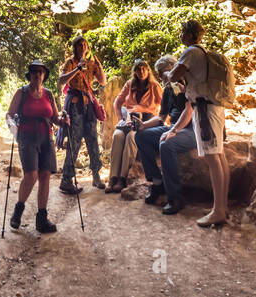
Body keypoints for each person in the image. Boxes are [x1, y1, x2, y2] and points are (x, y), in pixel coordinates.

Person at [162, 21, 230, 226]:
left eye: (182, 32)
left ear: (190, 35)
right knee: (219, 156)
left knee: (212, 159)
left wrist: (165, 74)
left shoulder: (191, 52)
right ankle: (223, 207)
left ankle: (218, 211)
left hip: (204, 110)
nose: (180, 35)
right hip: (213, 108)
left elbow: (173, 75)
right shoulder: (202, 53)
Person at [5, 61, 69, 233]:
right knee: (31, 175)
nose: (37, 75)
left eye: (40, 72)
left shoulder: (48, 94)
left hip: (46, 138)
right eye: (34, 72)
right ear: (30, 75)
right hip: (27, 137)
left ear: (44, 75)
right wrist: (12, 126)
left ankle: (42, 219)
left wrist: (63, 122)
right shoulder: (22, 92)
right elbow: (9, 114)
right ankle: (18, 210)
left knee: (45, 176)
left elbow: (55, 118)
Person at [133, 54, 196, 215]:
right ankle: (157, 181)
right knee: (141, 136)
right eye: (160, 74)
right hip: (174, 126)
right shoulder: (168, 90)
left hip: (191, 129)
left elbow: (190, 111)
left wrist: (173, 131)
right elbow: (162, 117)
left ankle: (175, 197)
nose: (161, 77)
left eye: (162, 73)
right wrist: (143, 125)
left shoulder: (187, 85)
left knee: (166, 145)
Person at [58, 35, 106, 194]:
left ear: (88, 48)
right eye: (79, 45)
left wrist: (99, 66)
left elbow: (102, 81)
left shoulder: (91, 64)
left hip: (89, 106)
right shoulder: (70, 62)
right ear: (75, 47)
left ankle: (96, 176)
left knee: (93, 139)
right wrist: (77, 68)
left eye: (85, 45)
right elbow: (61, 80)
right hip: (75, 106)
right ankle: (66, 179)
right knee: (75, 141)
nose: (82, 47)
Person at [105, 59, 163, 192]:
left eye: (144, 68)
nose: (141, 71)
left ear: (148, 70)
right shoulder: (130, 84)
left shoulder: (155, 86)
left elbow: (164, 106)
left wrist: (161, 123)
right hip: (129, 120)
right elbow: (117, 102)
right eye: (138, 69)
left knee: (132, 137)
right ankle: (113, 178)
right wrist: (120, 119)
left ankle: (122, 178)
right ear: (135, 72)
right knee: (118, 135)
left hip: (146, 122)